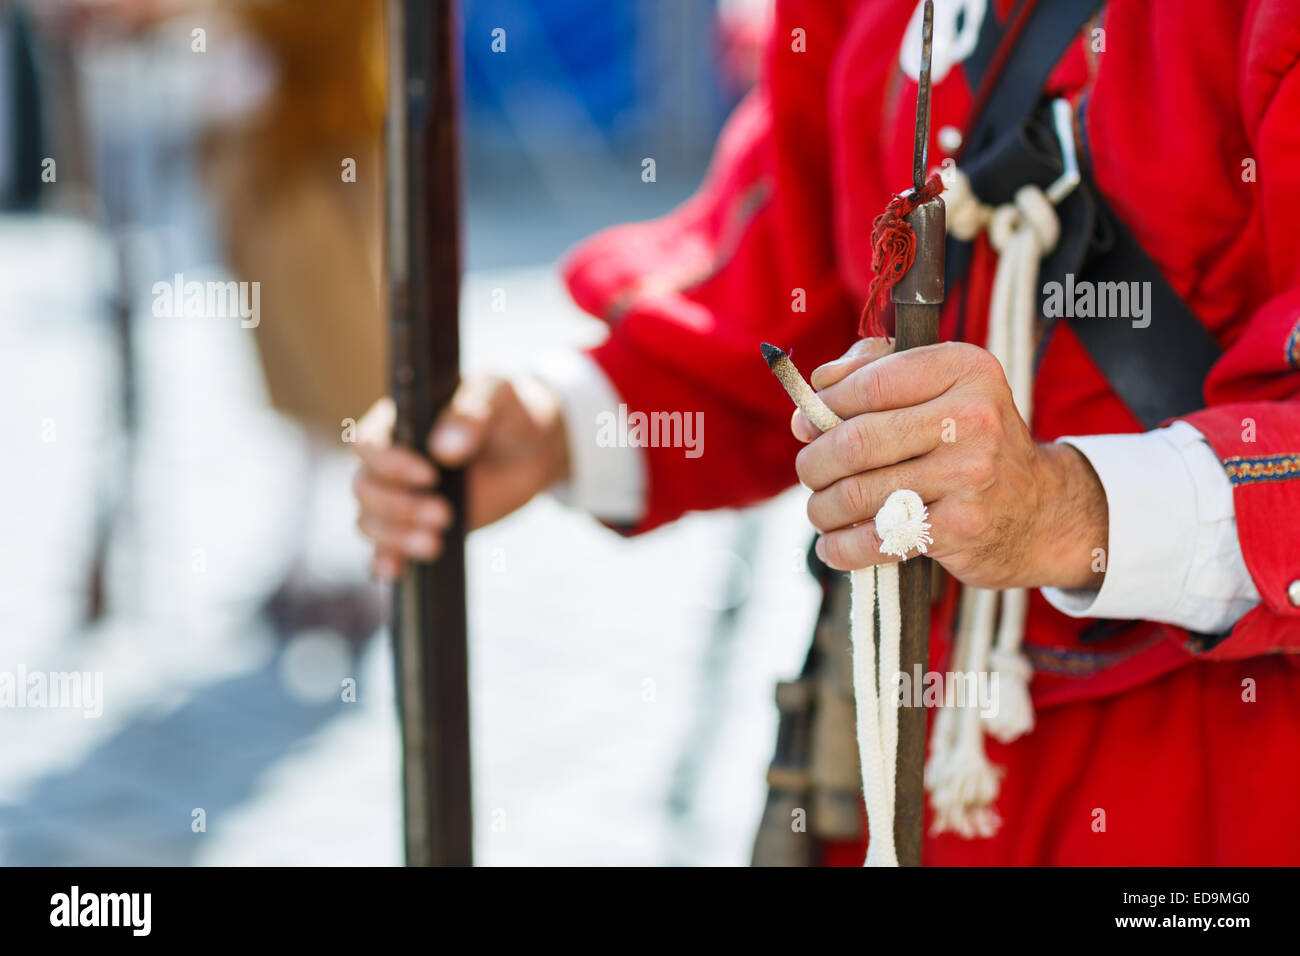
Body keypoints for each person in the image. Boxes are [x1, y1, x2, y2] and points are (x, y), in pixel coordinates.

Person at [353, 0, 1300, 864]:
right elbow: (776, 295)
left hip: (1214, 795)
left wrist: (1069, 509)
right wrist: (562, 420)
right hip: (899, 771)